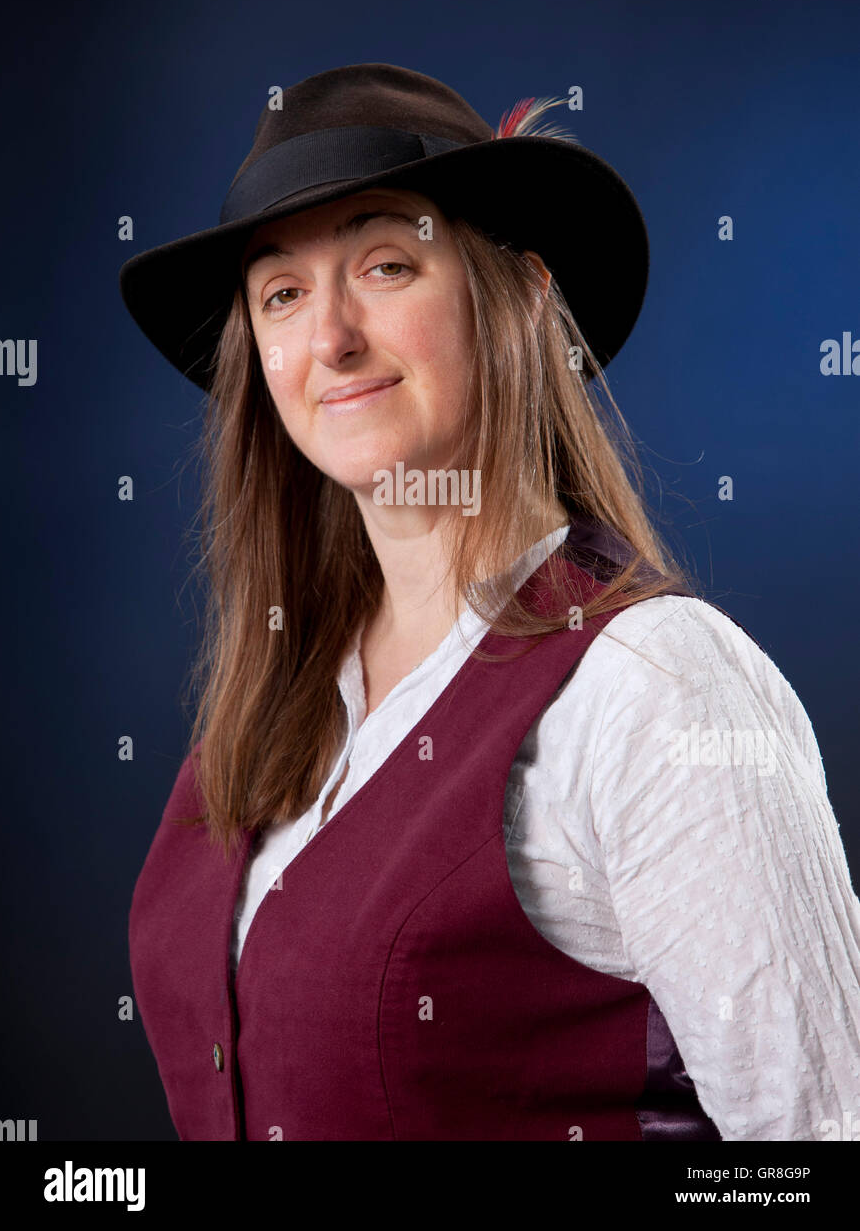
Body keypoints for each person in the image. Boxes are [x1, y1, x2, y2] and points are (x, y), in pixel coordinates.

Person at [120, 62, 860, 1142]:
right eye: (282, 293)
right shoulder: (265, 717)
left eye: (384, 264)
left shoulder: (658, 691)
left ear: (518, 295)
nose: (329, 338)